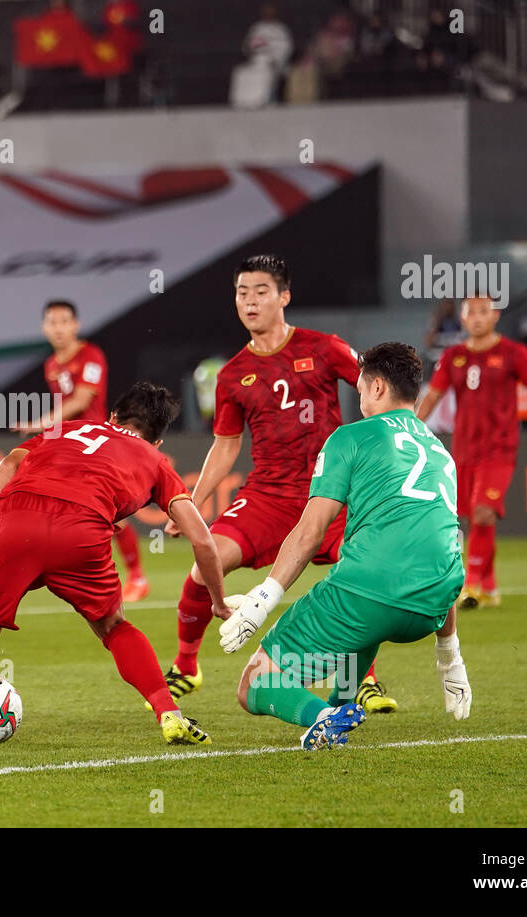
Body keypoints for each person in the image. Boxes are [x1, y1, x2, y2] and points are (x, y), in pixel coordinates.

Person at [0, 382, 228, 746]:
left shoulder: (66, 428)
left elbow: (8, 464)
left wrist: (3, 521)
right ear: (157, 441)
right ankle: (169, 714)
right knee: (113, 626)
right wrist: (219, 601)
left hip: (15, 517)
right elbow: (203, 541)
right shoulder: (156, 460)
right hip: (80, 532)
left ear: (112, 416)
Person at [161, 254, 398, 714]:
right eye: (241, 293)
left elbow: (375, 388)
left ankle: (361, 679)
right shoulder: (232, 374)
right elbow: (227, 446)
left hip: (330, 495)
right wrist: (191, 503)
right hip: (266, 497)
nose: (250, 301)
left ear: (284, 296)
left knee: (360, 579)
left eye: (261, 291)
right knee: (203, 565)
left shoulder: (325, 347)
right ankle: (187, 666)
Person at [219, 343, 473, 749]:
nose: (360, 401)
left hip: (369, 595)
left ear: (375, 387)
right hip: (432, 608)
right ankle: (337, 721)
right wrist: (450, 656)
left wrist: (262, 599)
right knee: (365, 622)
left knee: (254, 683)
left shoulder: (351, 437)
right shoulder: (441, 453)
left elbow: (310, 532)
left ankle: (322, 716)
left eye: (358, 391)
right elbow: (440, 546)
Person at [417, 296, 527, 608]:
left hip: (500, 448)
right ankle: (491, 585)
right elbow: (431, 399)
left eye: (484, 312)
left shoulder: (514, 353)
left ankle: (473, 584)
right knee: (474, 517)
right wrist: (405, 428)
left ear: (495, 316)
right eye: (471, 313)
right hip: (464, 450)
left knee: (484, 510)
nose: (477, 318)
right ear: (463, 319)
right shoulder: (453, 356)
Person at [16, 300, 149, 602]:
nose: (59, 328)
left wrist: (41, 423)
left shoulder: (91, 355)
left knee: (112, 517)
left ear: (76, 325)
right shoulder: (51, 365)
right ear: (44, 328)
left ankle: (138, 578)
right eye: (53, 322)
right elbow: (64, 408)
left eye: (65, 321)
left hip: (95, 446)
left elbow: (81, 399)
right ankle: (53, 572)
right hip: (67, 447)